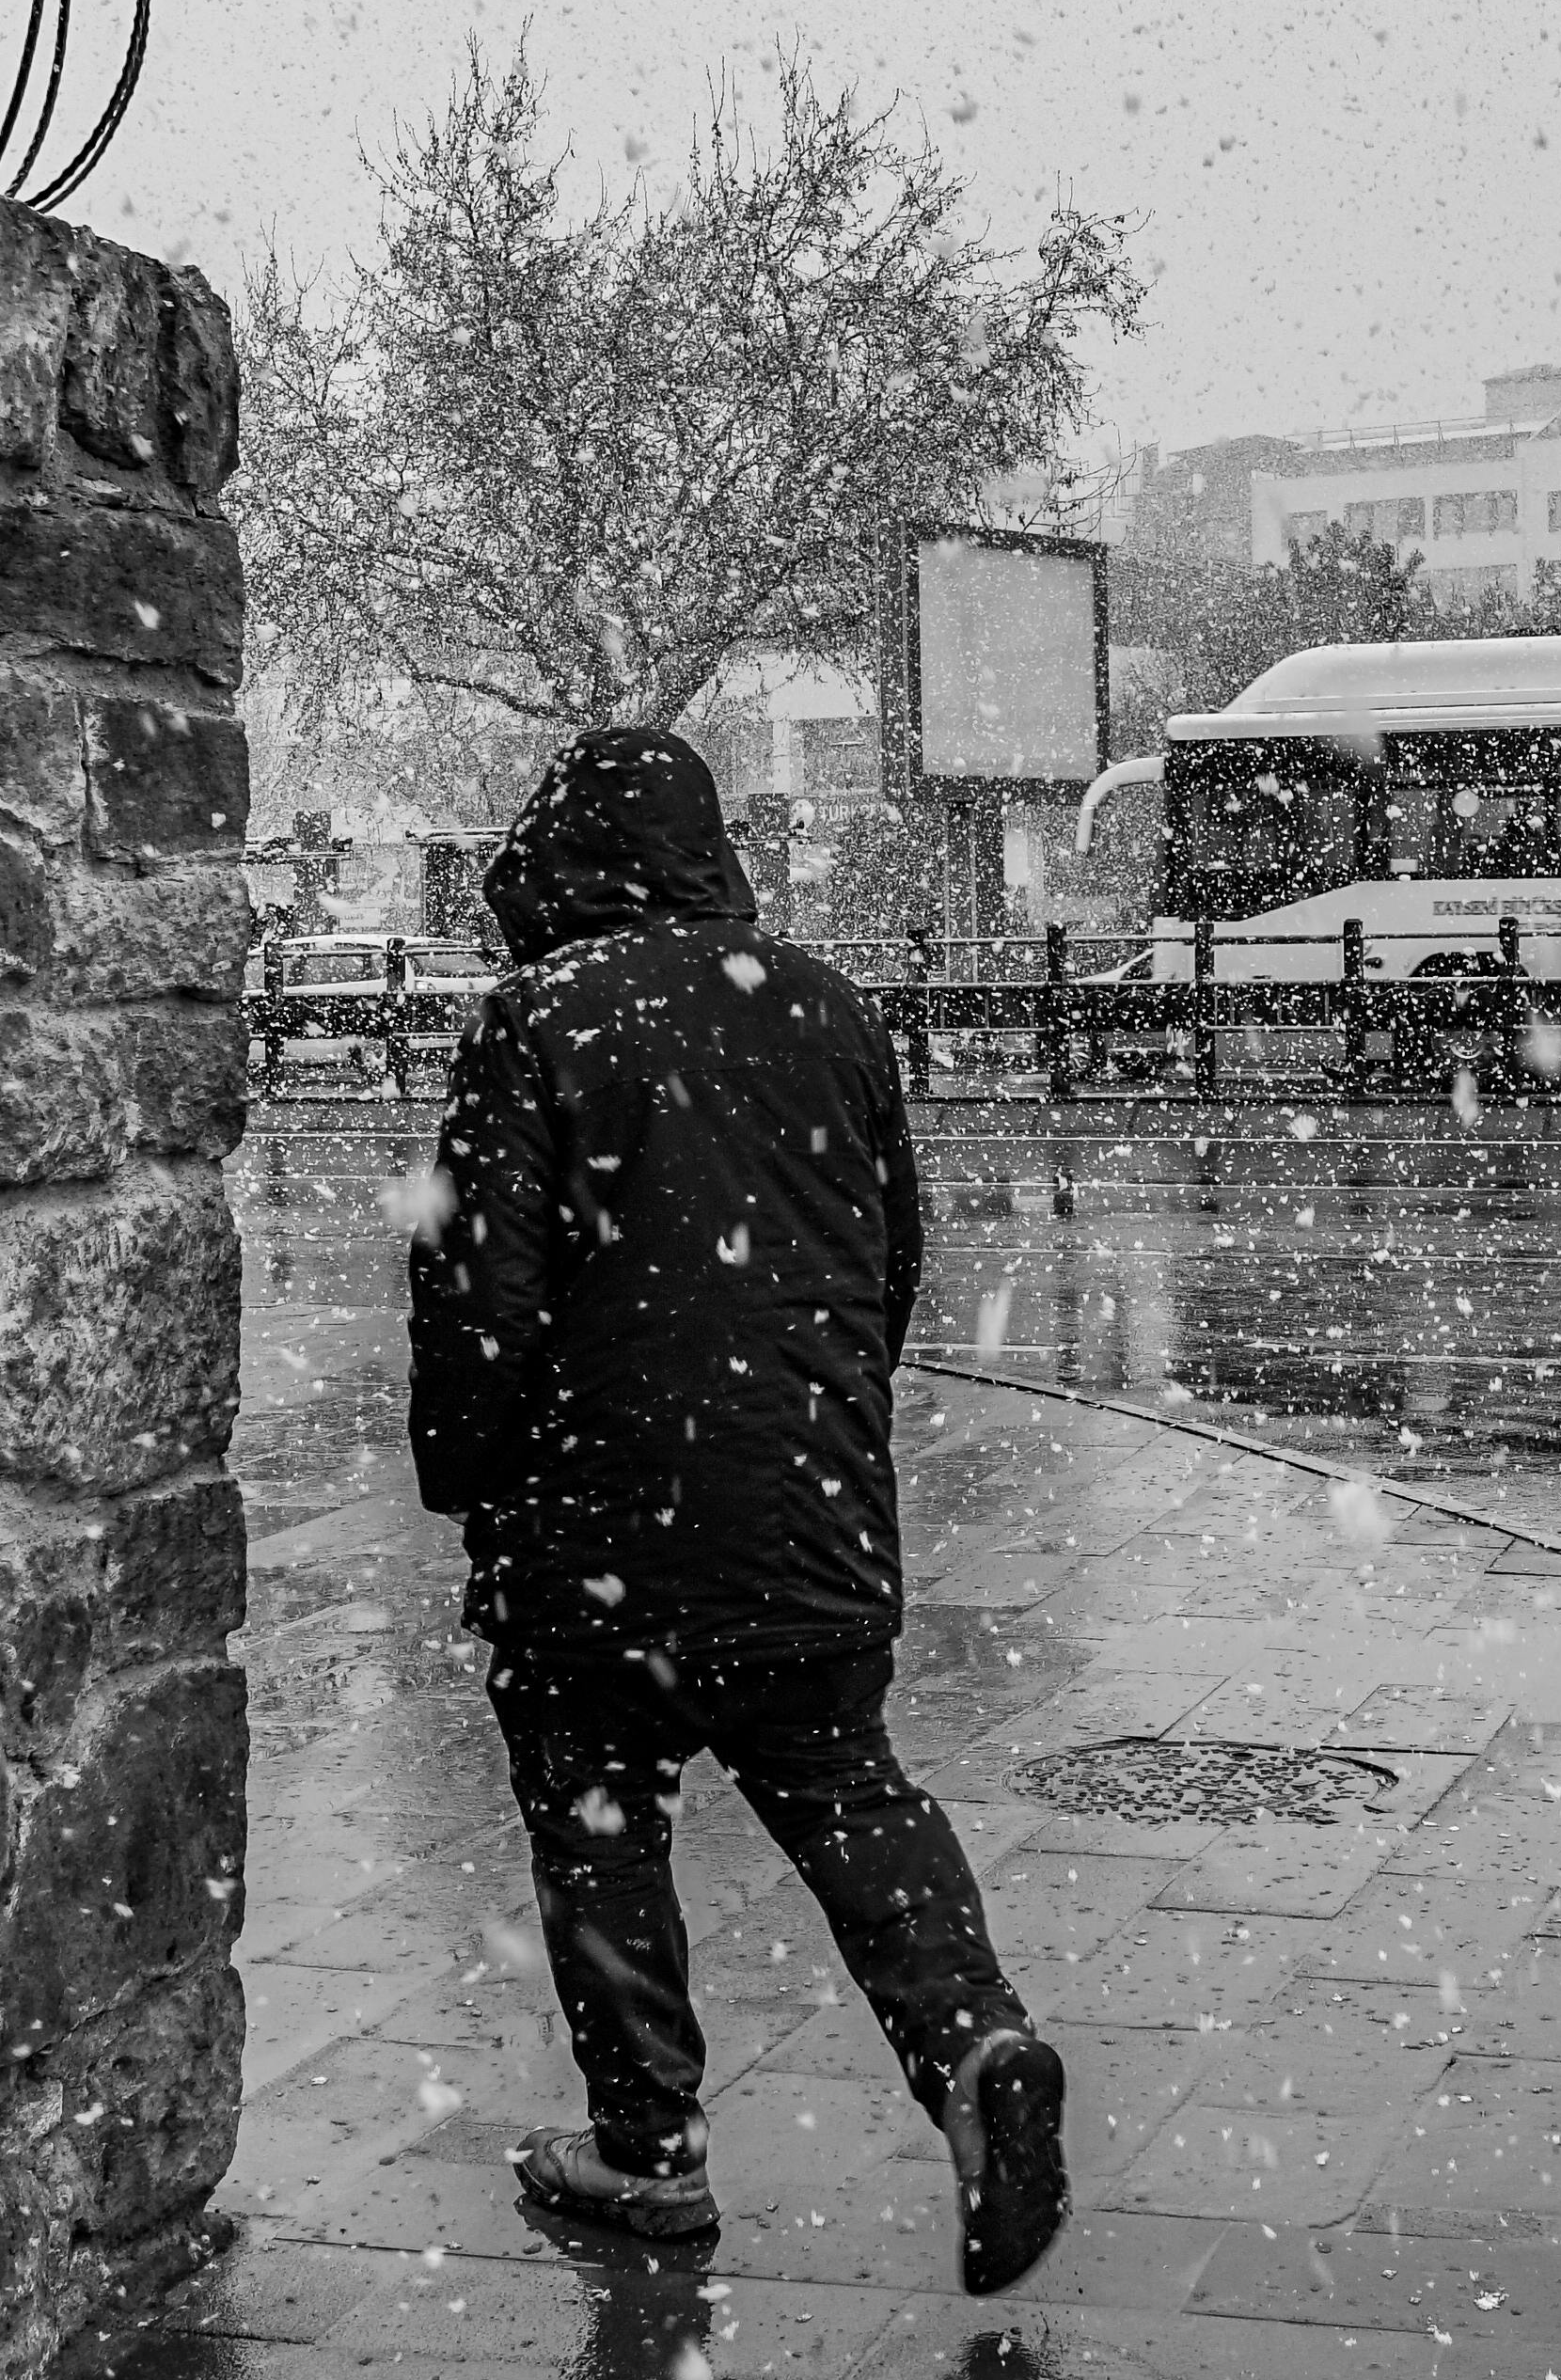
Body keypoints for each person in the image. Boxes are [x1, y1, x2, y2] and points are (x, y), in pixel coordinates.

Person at [406, 722, 1067, 2293]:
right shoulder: (827, 1005)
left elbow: (480, 1301)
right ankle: (976, 2045)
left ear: (561, 857)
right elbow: (890, 1257)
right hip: (807, 1509)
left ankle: (648, 2149)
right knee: (852, 1792)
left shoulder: (541, 1021)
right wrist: (810, 1420)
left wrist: (465, 1472)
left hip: (599, 1531)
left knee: (599, 1815)